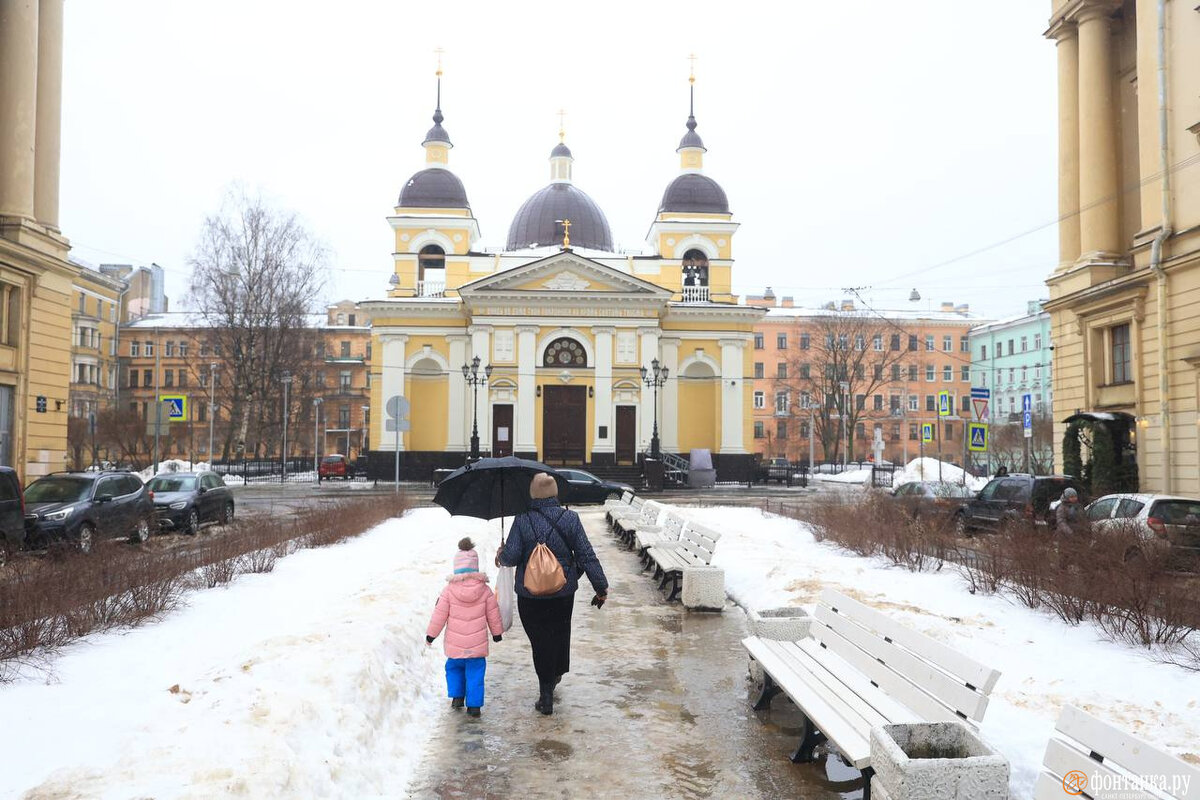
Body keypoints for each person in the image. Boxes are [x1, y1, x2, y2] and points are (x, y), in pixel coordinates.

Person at [498, 472, 608, 716]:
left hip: (530, 595)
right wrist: (601, 587)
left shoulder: (523, 519)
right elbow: (586, 555)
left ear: (533, 494)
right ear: (555, 493)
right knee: (558, 635)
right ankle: (553, 677)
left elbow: (512, 557)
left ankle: (545, 691)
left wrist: (502, 553)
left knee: (540, 642)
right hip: (562, 592)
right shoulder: (570, 519)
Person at [426, 537, 504, 718]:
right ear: (475, 566)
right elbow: (493, 613)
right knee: (476, 673)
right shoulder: (485, 590)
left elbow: (439, 616)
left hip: (455, 646)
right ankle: (474, 706)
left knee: (454, 669)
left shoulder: (448, 591)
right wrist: (497, 633)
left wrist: (431, 635)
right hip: (476, 646)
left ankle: (457, 697)